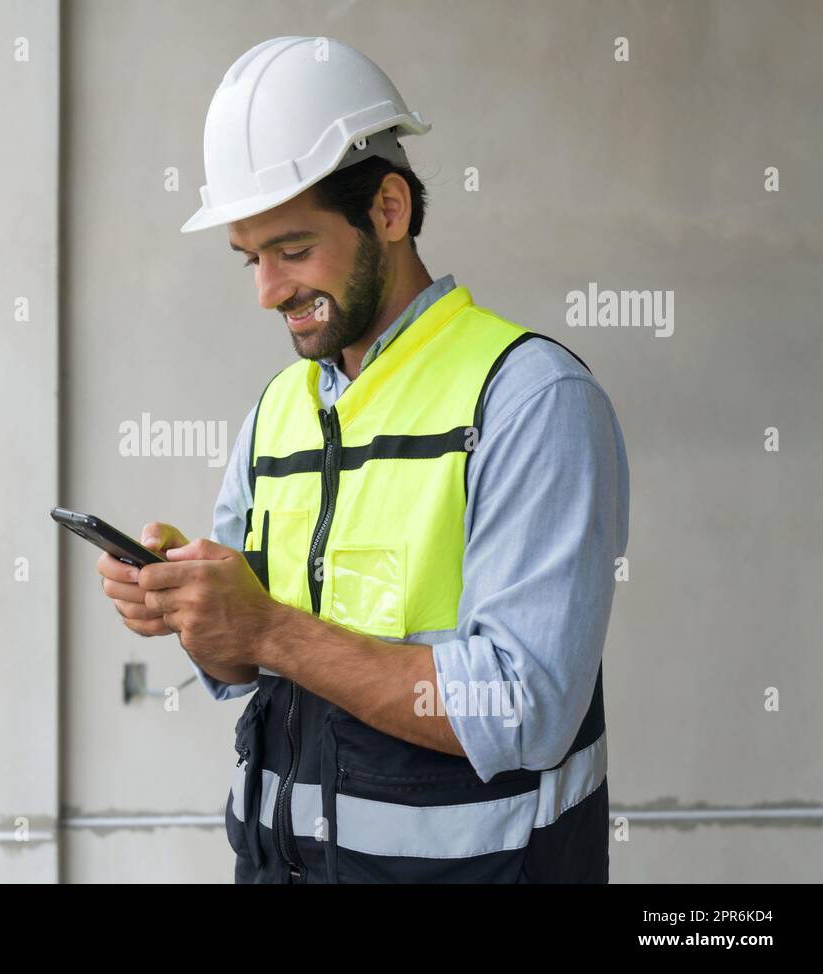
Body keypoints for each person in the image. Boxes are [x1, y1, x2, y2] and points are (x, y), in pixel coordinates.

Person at [96, 36, 628, 883]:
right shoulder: (281, 407)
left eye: (293, 249)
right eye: (251, 258)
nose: (268, 290)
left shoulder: (529, 399)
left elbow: (522, 711)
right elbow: (248, 665)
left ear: (388, 210)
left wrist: (266, 625)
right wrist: (195, 610)